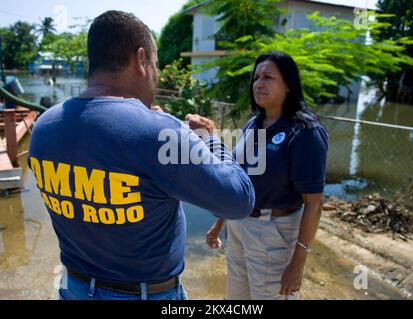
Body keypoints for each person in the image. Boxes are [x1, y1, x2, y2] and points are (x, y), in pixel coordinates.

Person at [28, 11, 255, 300]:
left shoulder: (43, 128)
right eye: (156, 64)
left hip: (74, 288)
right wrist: (210, 139)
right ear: (140, 60)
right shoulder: (159, 134)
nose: (156, 75)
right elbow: (238, 201)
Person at [206, 52, 328, 300]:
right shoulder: (254, 124)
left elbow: (314, 203)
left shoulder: (305, 132)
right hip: (239, 226)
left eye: (268, 77)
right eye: (256, 77)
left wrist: (298, 263)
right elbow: (238, 178)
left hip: (272, 233)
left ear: (288, 86)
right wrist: (220, 223)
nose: (258, 83)